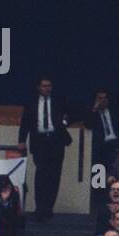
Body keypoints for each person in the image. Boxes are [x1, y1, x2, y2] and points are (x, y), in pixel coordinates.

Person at [18, 77, 72, 222]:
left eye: (49, 86)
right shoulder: (31, 103)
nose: (47, 88)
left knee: (54, 176)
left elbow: (72, 113)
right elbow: (25, 122)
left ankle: (49, 209)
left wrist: (65, 122)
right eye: (44, 86)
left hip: (56, 141)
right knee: (41, 175)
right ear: (38, 87)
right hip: (39, 142)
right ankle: (39, 208)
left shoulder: (59, 101)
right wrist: (22, 140)